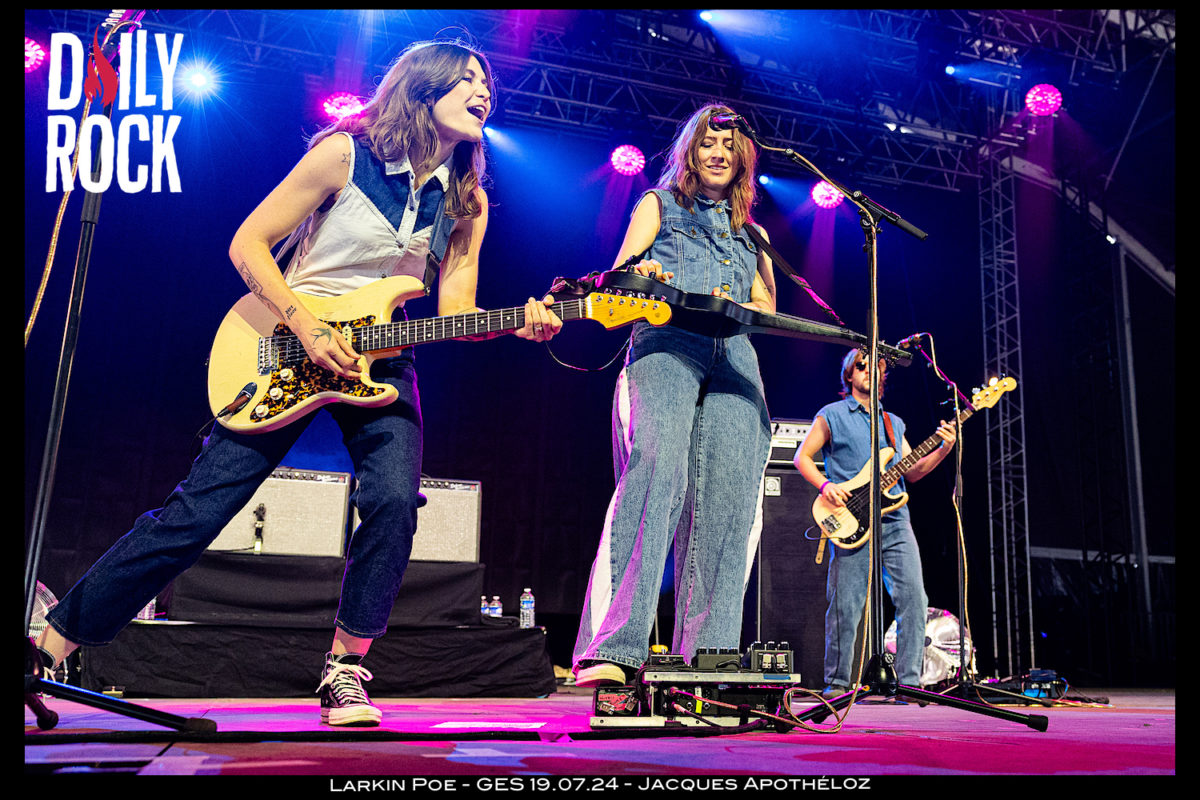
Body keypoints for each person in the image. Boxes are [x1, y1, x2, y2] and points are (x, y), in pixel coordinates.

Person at [32, 39, 562, 726]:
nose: (482, 90)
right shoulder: (346, 154)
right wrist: (308, 327)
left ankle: (345, 670)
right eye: (465, 79)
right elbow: (248, 242)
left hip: (383, 355)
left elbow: (456, 315)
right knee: (194, 516)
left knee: (397, 502)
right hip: (285, 344)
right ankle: (48, 647)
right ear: (423, 88)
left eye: (486, 83)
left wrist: (516, 322)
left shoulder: (467, 202)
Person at [572, 104, 777, 687]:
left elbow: (766, 303)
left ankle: (707, 659)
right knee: (656, 472)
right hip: (667, 345)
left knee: (729, 503)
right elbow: (618, 282)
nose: (719, 152)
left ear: (743, 158)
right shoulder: (658, 205)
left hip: (736, 357)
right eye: (709, 142)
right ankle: (614, 649)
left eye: (729, 145)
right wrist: (649, 284)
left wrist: (744, 307)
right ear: (691, 150)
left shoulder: (754, 233)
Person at [793, 348, 956, 698]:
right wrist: (826, 485)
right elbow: (801, 457)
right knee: (846, 603)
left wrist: (943, 450)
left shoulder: (893, 423)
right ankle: (837, 685)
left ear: (884, 376)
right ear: (848, 376)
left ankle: (911, 684)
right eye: (860, 366)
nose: (869, 370)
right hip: (850, 517)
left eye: (876, 366)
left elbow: (911, 472)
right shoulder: (832, 415)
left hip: (895, 519)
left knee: (914, 596)